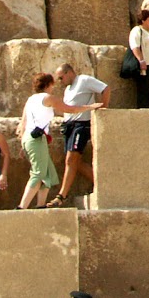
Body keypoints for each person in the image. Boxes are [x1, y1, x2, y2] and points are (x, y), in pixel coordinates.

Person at [49, 64, 109, 209]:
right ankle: (103, 185)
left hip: (81, 125)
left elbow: (105, 88)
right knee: (75, 162)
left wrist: (104, 107)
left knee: (71, 159)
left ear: (69, 72)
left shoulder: (84, 80)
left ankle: (61, 196)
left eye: (61, 77)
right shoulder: (68, 89)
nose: (60, 81)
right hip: (69, 126)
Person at [19, 73, 64, 209]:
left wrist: (22, 144)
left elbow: (23, 123)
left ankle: (40, 205)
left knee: (48, 174)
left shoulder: (30, 100)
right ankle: (21, 207)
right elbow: (69, 109)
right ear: (49, 84)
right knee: (38, 174)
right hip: (37, 139)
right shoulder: (47, 98)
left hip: (29, 138)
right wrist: (88, 108)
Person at [127, 7, 149, 108]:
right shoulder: (137, 30)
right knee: (143, 91)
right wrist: (141, 60)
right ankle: (142, 111)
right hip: (145, 66)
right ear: (143, 20)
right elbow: (135, 46)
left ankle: (148, 111)